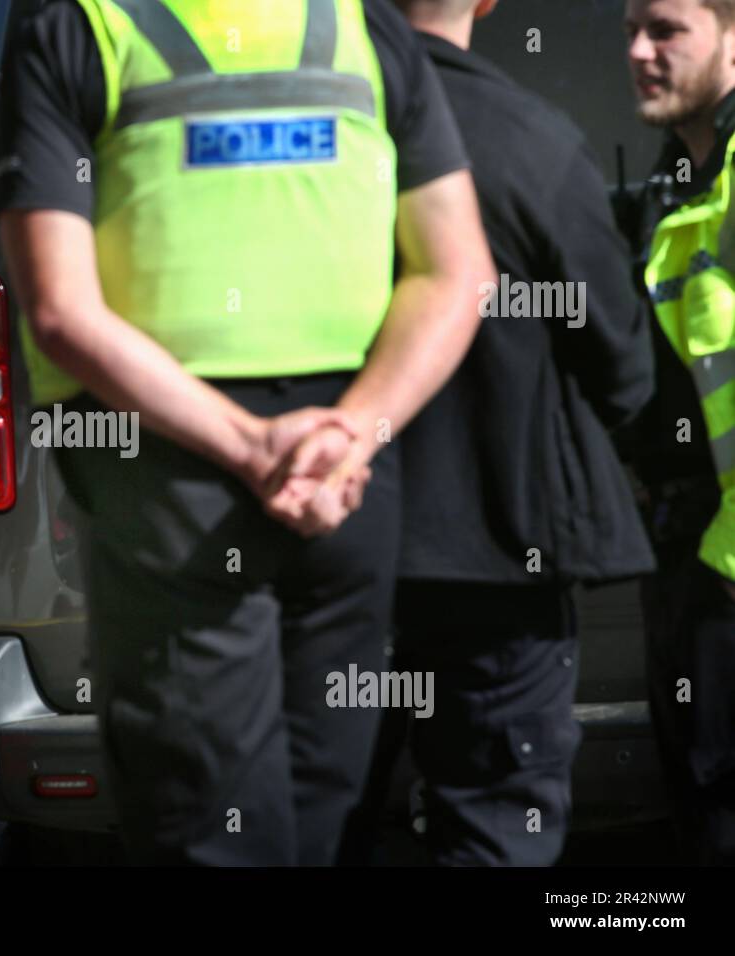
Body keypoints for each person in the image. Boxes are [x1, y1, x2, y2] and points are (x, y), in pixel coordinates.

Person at [0, 0, 494, 864]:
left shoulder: (82, 33)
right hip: (344, 486)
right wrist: (352, 432)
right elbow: (457, 273)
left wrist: (255, 446)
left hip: (175, 489)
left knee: (207, 822)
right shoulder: (367, 31)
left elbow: (60, 310)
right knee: (323, 817)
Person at [339, 0, 656, 867]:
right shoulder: (534, 140)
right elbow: (622, 363)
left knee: (312, 822)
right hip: (496, 563)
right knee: (492, 827)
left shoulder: (298, 136)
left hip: (323, 548)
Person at [625, 0, 735, 865]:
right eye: (632, 27)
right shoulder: (670, 183)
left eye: (666, 30)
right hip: (685, 552)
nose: (638, 50)